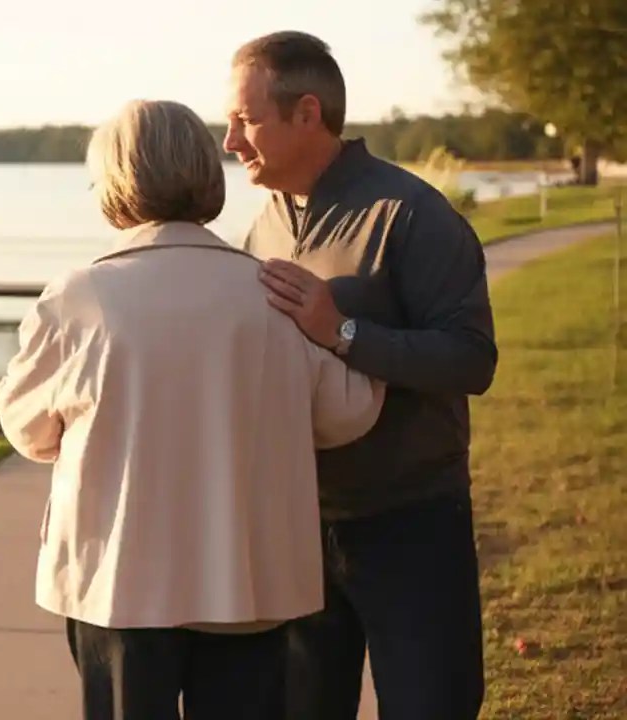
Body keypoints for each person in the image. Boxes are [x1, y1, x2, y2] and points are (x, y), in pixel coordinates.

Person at [0, 98, 385, 720]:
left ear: (117, 183)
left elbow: (27, 428)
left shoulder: (81, 296)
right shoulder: (272, 292)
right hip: (246, 579)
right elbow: (345, 415)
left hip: (117, 583)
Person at [222, 31, 498, 720]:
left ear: (307, 113)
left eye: (246, 119)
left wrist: (342, 333)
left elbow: (471, 359)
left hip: (411, 524)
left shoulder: (411, 214)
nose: (231, 141)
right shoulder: (264, 226)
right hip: (298, 531)